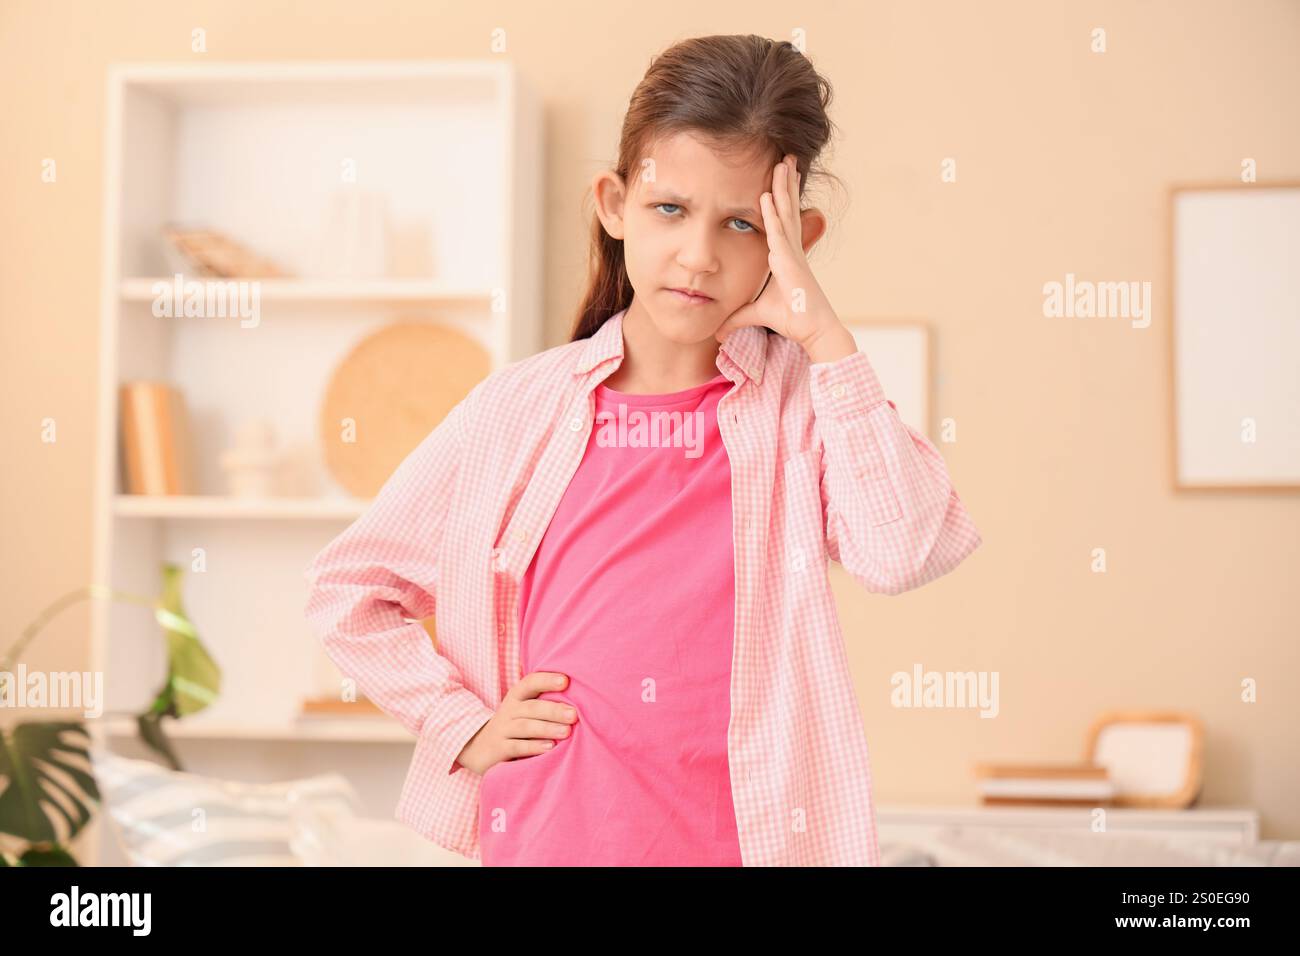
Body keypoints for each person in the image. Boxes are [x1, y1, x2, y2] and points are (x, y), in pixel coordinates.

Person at [303, 34, 982, 867]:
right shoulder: (517, 410)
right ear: (615, 203)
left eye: (740, 223)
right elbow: (349, 590)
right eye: (670, 209)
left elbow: (903, 550)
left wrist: (825, 336)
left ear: (793, 237)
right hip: (558, 834)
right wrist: (461, 723)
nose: (698, 255)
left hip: (754, 843)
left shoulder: (803, 408)